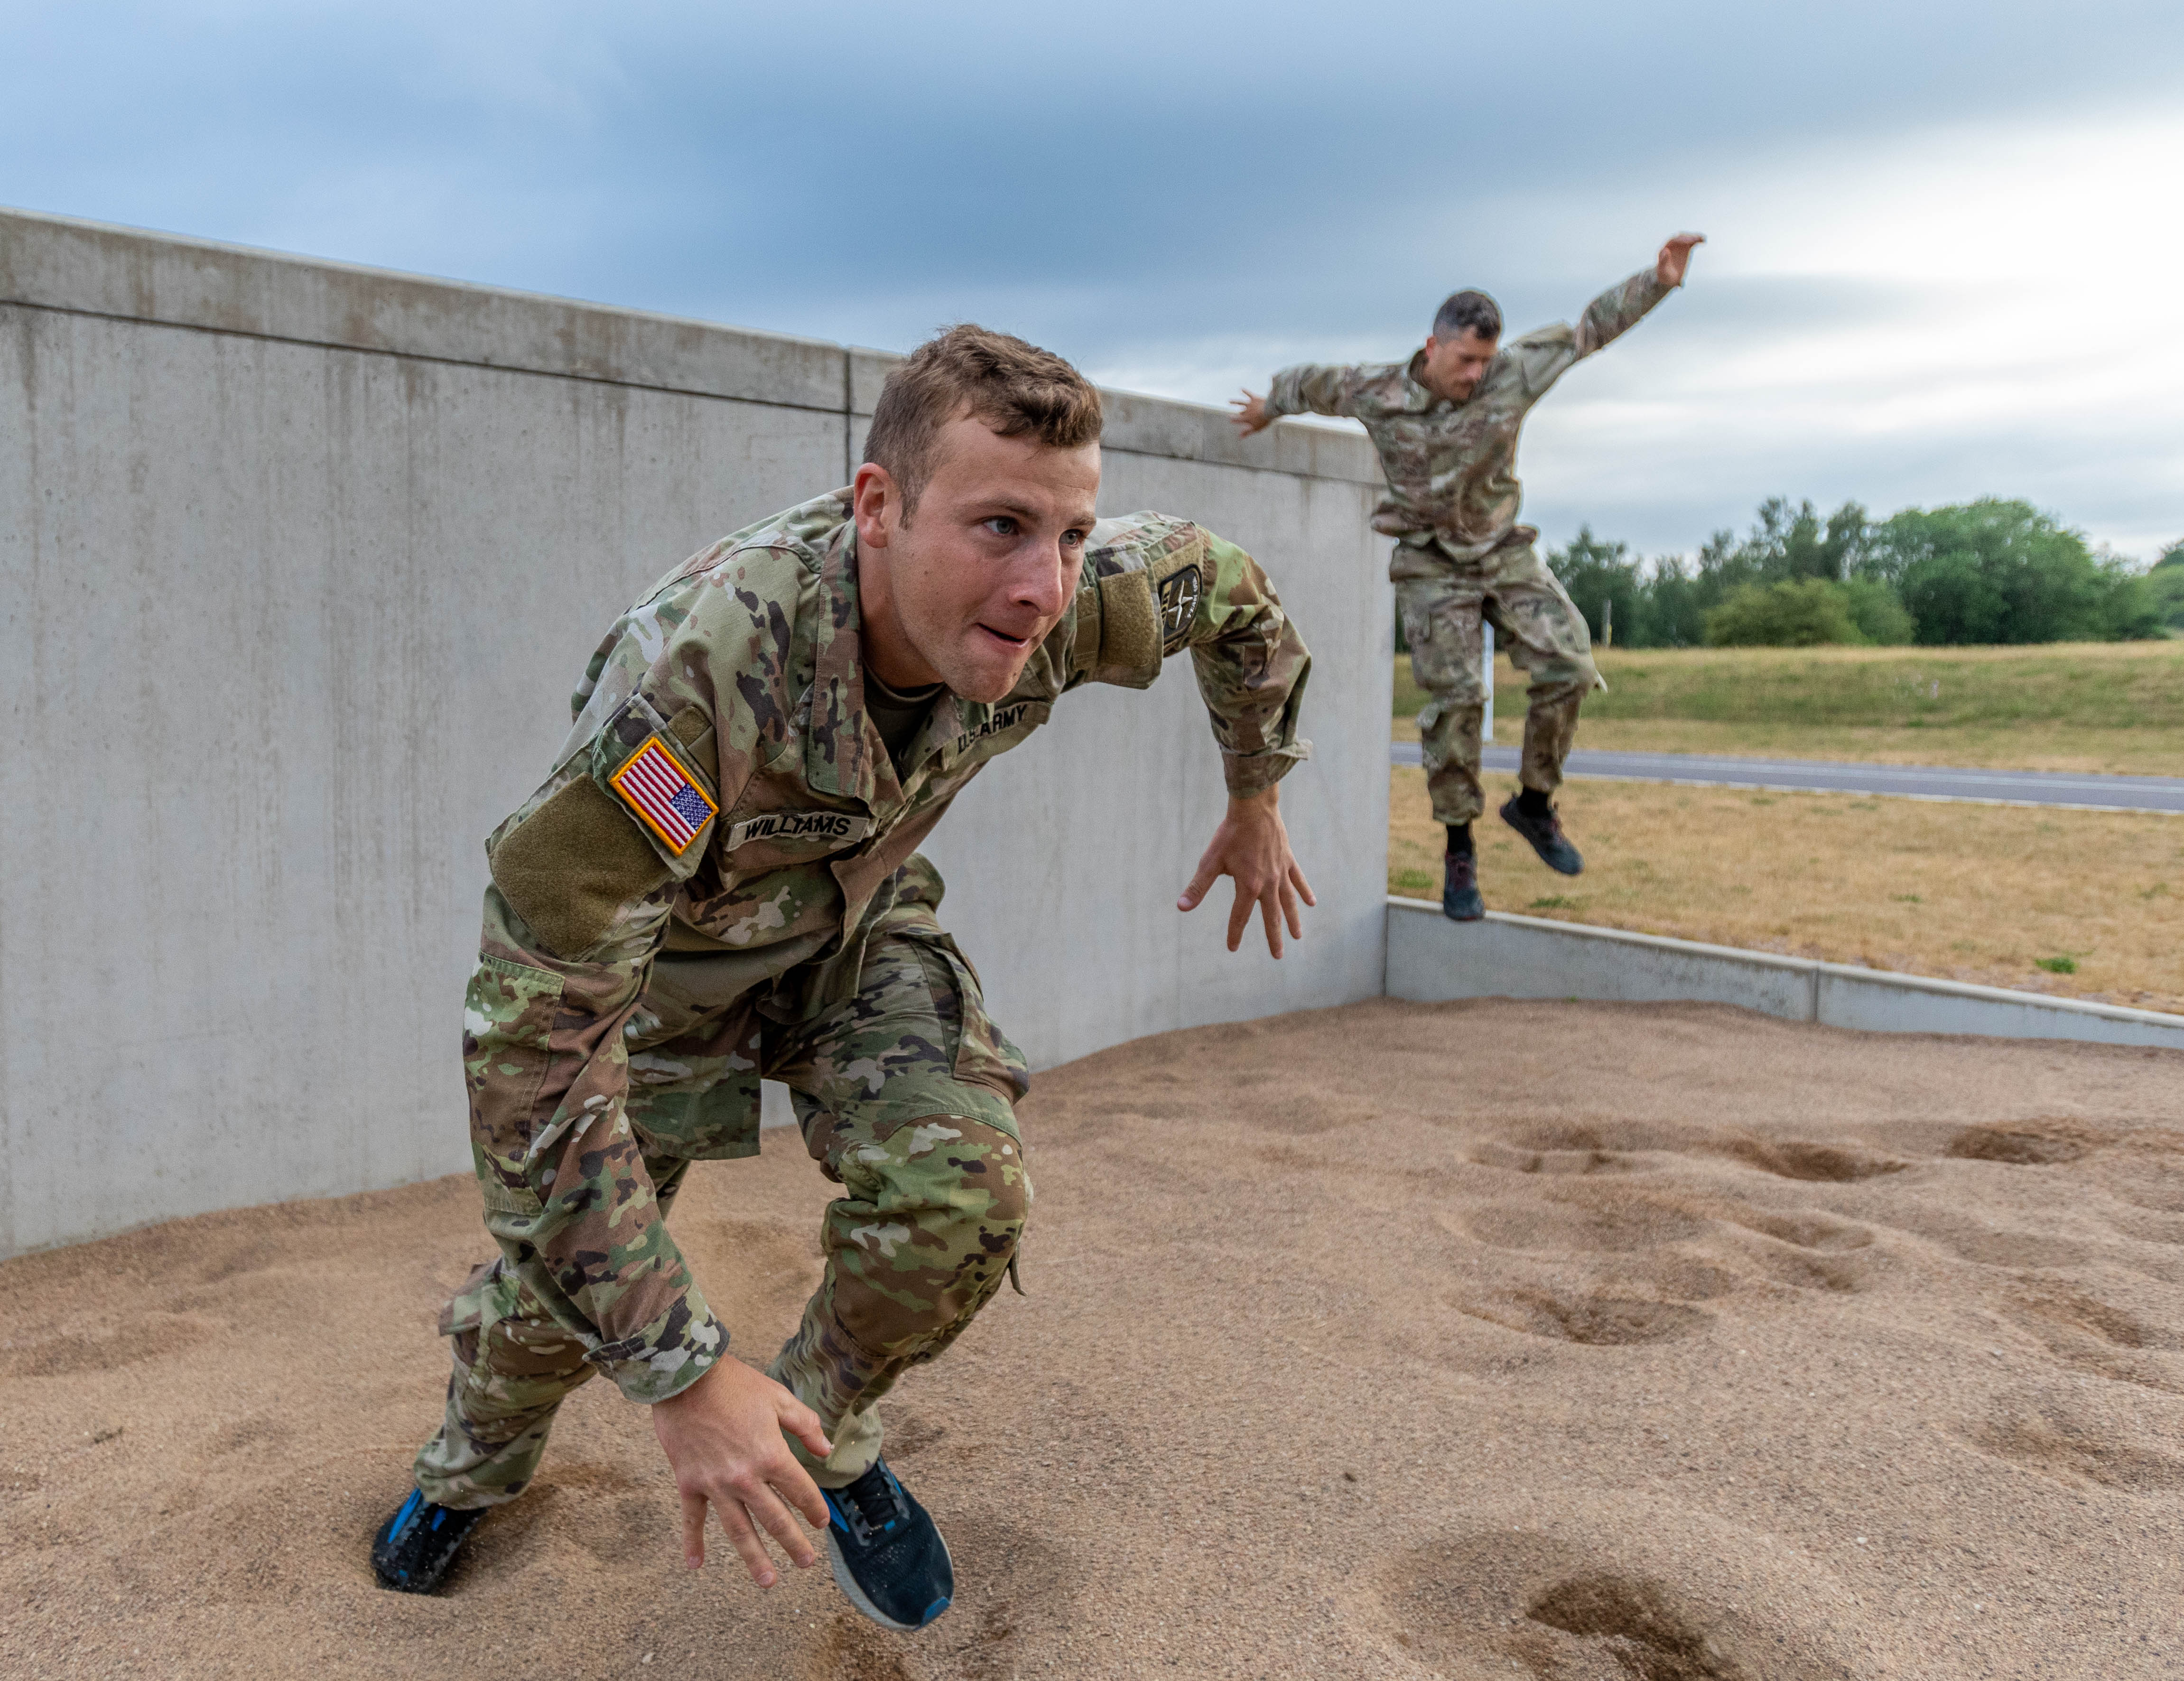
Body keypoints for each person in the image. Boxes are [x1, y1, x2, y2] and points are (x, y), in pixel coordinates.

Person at [371, 325, 1315, 1631]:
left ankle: (819, 1437)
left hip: (853, 939)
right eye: (997, 528)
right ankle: (471, 1473)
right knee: (563, 1292)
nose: (1043, 585)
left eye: (1069, 534)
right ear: (879, 506)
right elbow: (532, 1060)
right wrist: (685, 1377)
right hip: (658, 984)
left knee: (961, 1190)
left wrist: (1255, 794)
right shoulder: (692, 685)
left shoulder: (1071, 596)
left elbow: (1235, 597)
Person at [1234, 232, 1702, 920]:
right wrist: (1268, 406)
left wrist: (1659, 281)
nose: (1476, 375)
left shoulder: (1514, 373)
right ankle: (1460, 849)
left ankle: (1536, 804)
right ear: (1433, 347)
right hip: (1430, 564)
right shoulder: (1376, 390)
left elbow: (1588, 332)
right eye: (1465, 360)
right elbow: (1308, 384)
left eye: (1485, 361)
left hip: (1502, 551)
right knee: (1457, 700)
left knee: (1569, 665)